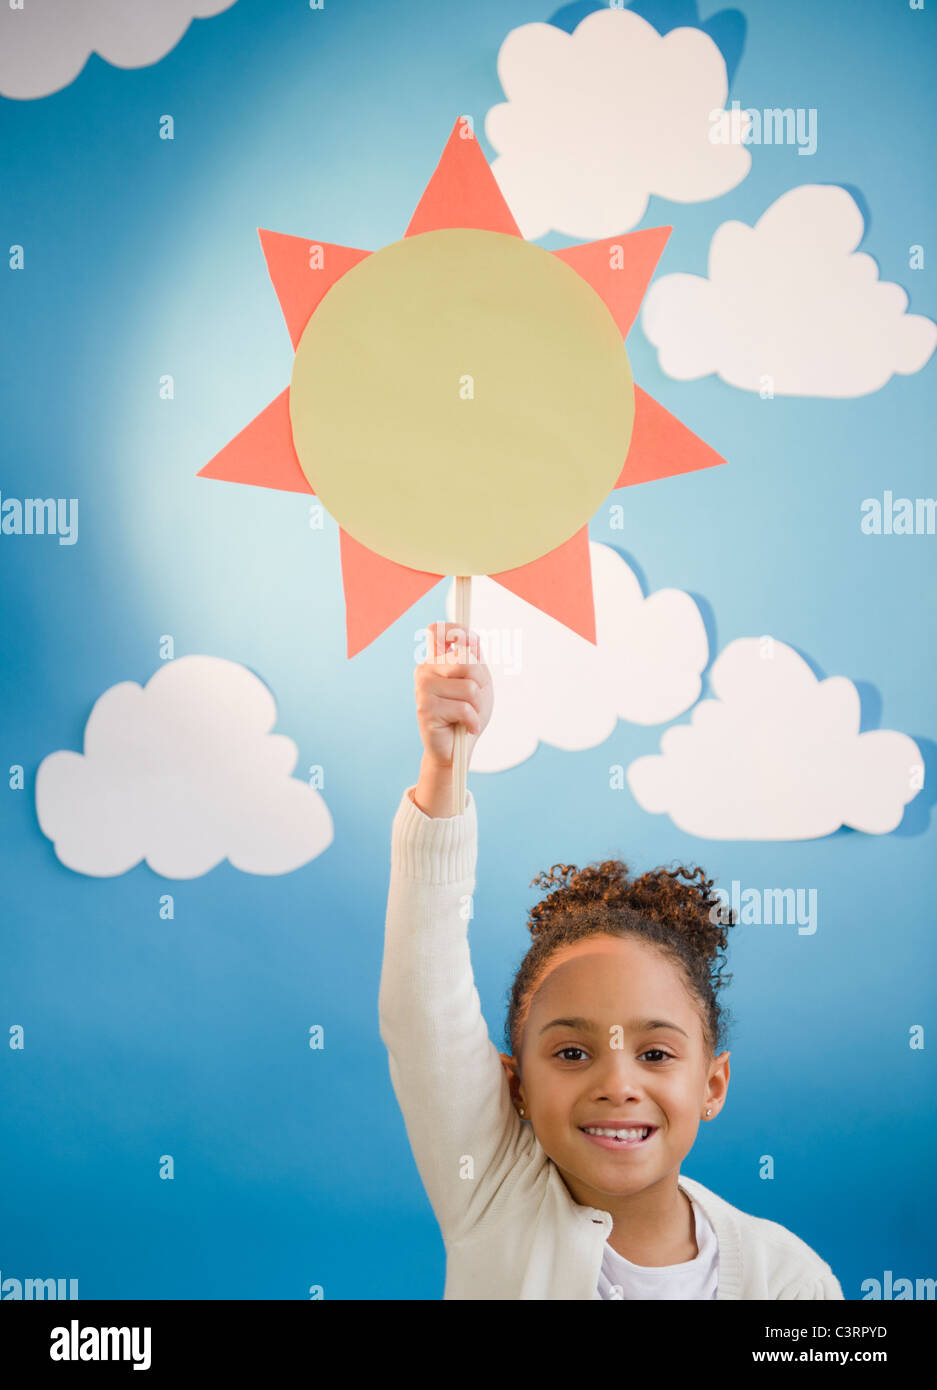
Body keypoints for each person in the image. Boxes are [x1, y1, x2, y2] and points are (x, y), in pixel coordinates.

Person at [379, 620, 844, 1300]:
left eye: (655, 1054)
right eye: (571, 1053)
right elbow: (423, 1008)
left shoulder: (788, 1279)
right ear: (514, 1088)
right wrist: (444, 770)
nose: (617, 1083)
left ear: (711, 1085)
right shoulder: (492, 1193)